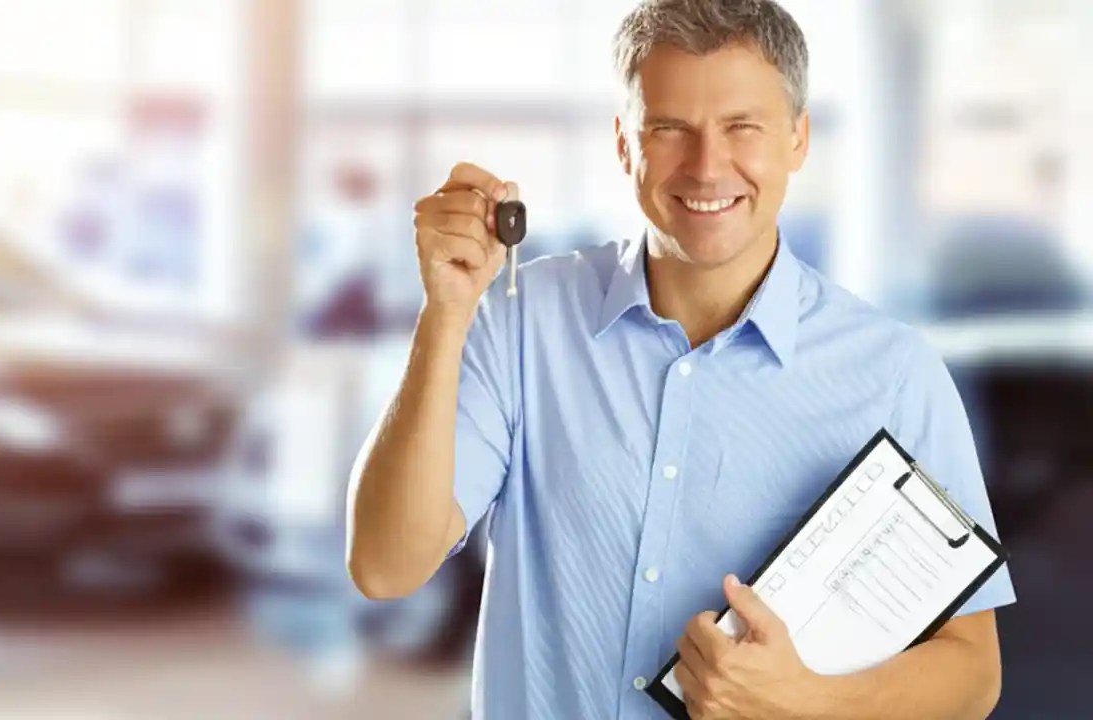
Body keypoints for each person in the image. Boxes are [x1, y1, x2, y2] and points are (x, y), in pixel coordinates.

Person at [345, 1, 1016, 718]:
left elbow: (972, 674)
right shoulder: (520, 318)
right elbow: (386, 565)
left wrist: (812, 701)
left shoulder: (894, 373)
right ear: (623, 143)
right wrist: (446, 311)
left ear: (798, 139)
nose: (705, 167)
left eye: (742, 128)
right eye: (670, 129)